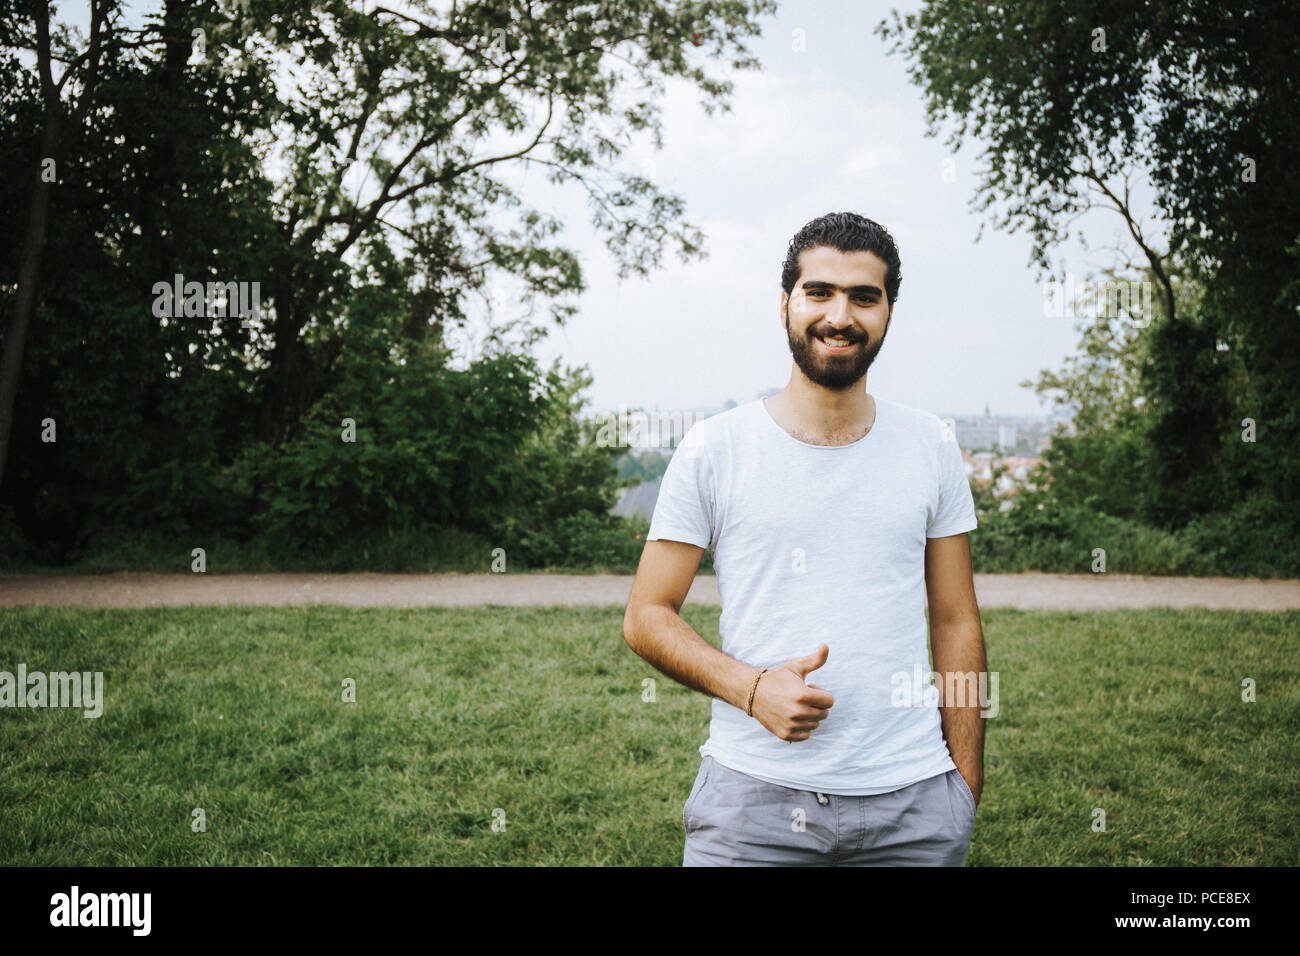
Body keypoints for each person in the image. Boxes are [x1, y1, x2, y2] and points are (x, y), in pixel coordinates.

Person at [623, 211, 987, 866]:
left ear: (889, 311)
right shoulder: (716, 448)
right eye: (819, 292)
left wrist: (963, 785)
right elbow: (646, 616)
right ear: (785, 303)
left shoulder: (930, 445)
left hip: (915, 804)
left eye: (863, 296)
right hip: (751, 805)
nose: (839, 315)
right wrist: (750, 688)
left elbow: (957, 621)